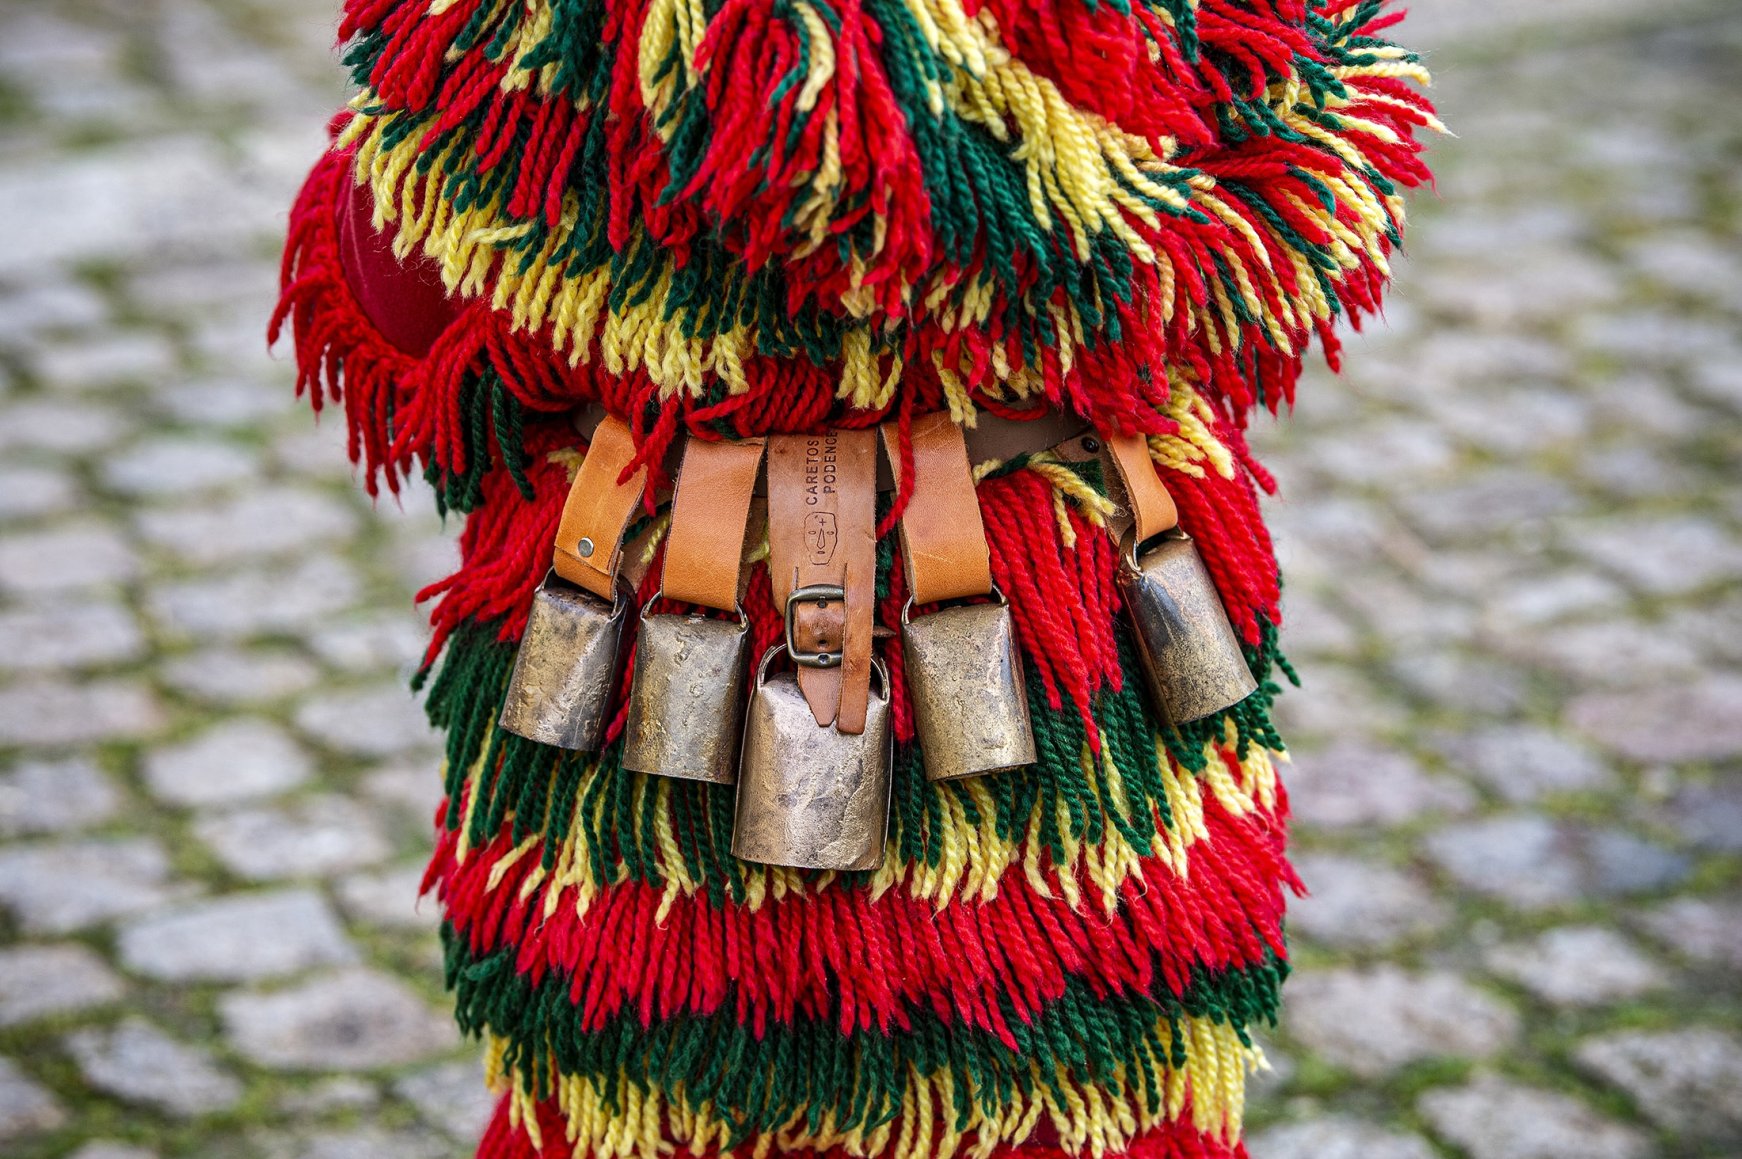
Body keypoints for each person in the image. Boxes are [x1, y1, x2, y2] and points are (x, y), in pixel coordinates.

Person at [273, 2, 1437, 1155]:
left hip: (674, 661)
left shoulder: (547, 39)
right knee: (1082, 1100)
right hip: (1073, 655)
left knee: (661, 1097)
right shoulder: (1173, 32)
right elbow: (1272, 250)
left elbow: (400, 306)